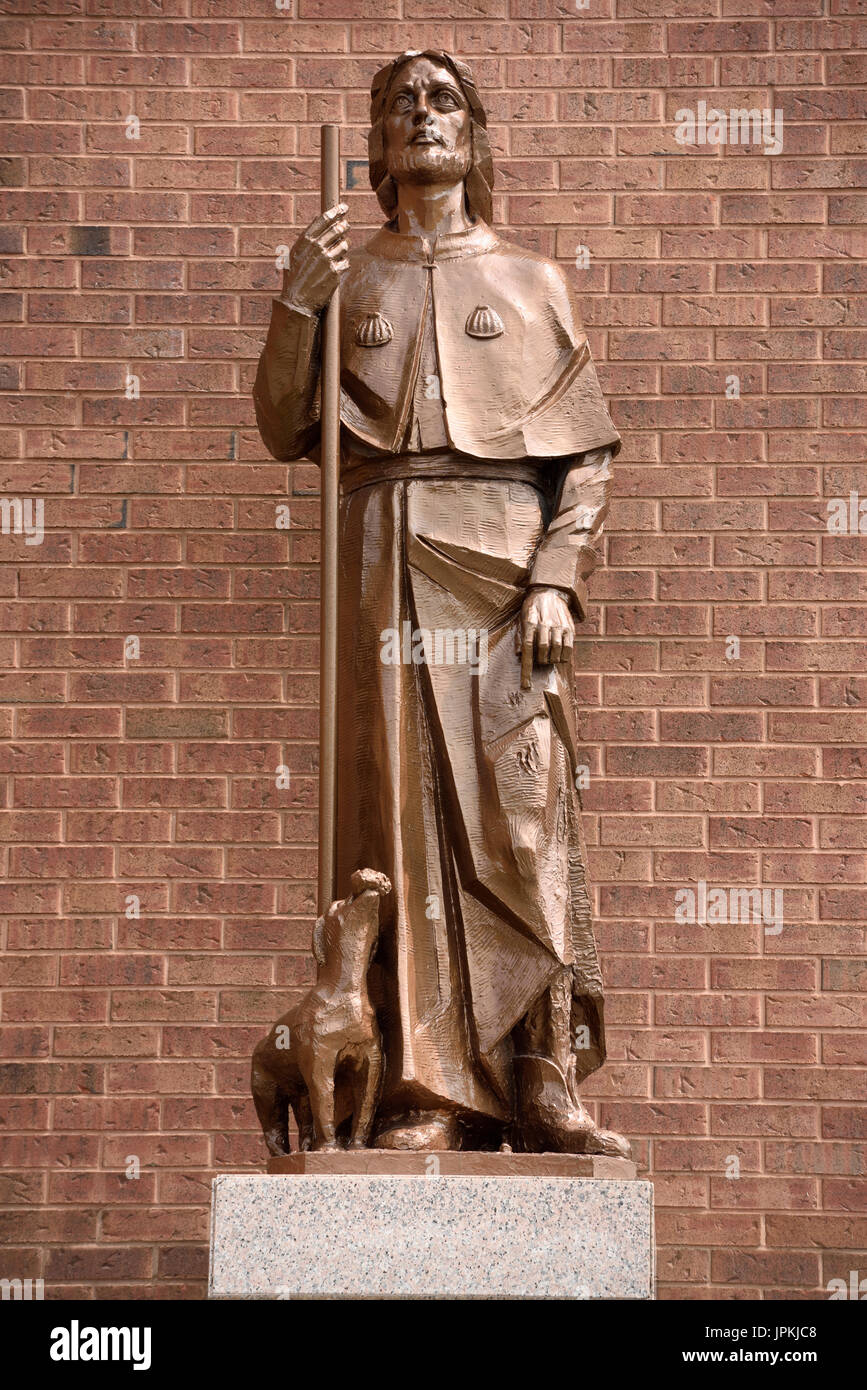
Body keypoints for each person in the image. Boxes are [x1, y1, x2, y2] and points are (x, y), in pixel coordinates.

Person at [253, 50, 629, 1157]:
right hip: (380, 561)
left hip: (506, 576)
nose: (423, 115)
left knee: (525, 809)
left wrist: (558, 573)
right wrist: (296, 303)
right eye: (399, 103)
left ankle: (543, 1073)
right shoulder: (345, 275)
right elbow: (286, 426)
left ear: (475, 134)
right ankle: (427, 1090)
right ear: (376, 144)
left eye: (444, 99)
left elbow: (589, 460)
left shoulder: (531, 280)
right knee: (401, 829)